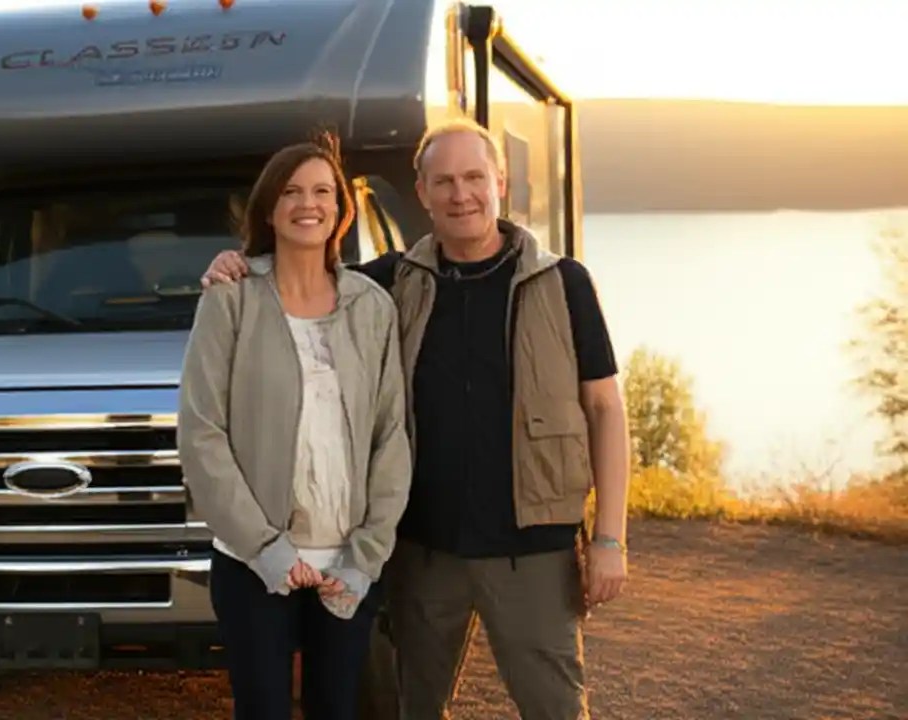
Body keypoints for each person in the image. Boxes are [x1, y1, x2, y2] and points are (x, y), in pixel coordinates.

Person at [199, 117, 631, 720]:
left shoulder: (563, 283)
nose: (462, 194)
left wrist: (609, 537)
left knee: (555, 709)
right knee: (408, 708)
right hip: (425, 554)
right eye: (444, 181)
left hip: (533, 552)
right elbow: (310, 276)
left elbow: (606, 409)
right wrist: (238, 264)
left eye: (475, 177)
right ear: (422, 193)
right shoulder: (389, 282)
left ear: (500, 180)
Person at [177, 134, 413, 720]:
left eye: (322, 192)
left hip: (346, 566)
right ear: (269, 208)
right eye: (292, 191)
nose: (308, 204)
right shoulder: (230, 300)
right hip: (254, 564)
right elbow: (202, 433)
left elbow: (392, 437)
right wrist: (267, 550)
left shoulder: (372, 305)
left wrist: (365, 556)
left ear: (340, 207)